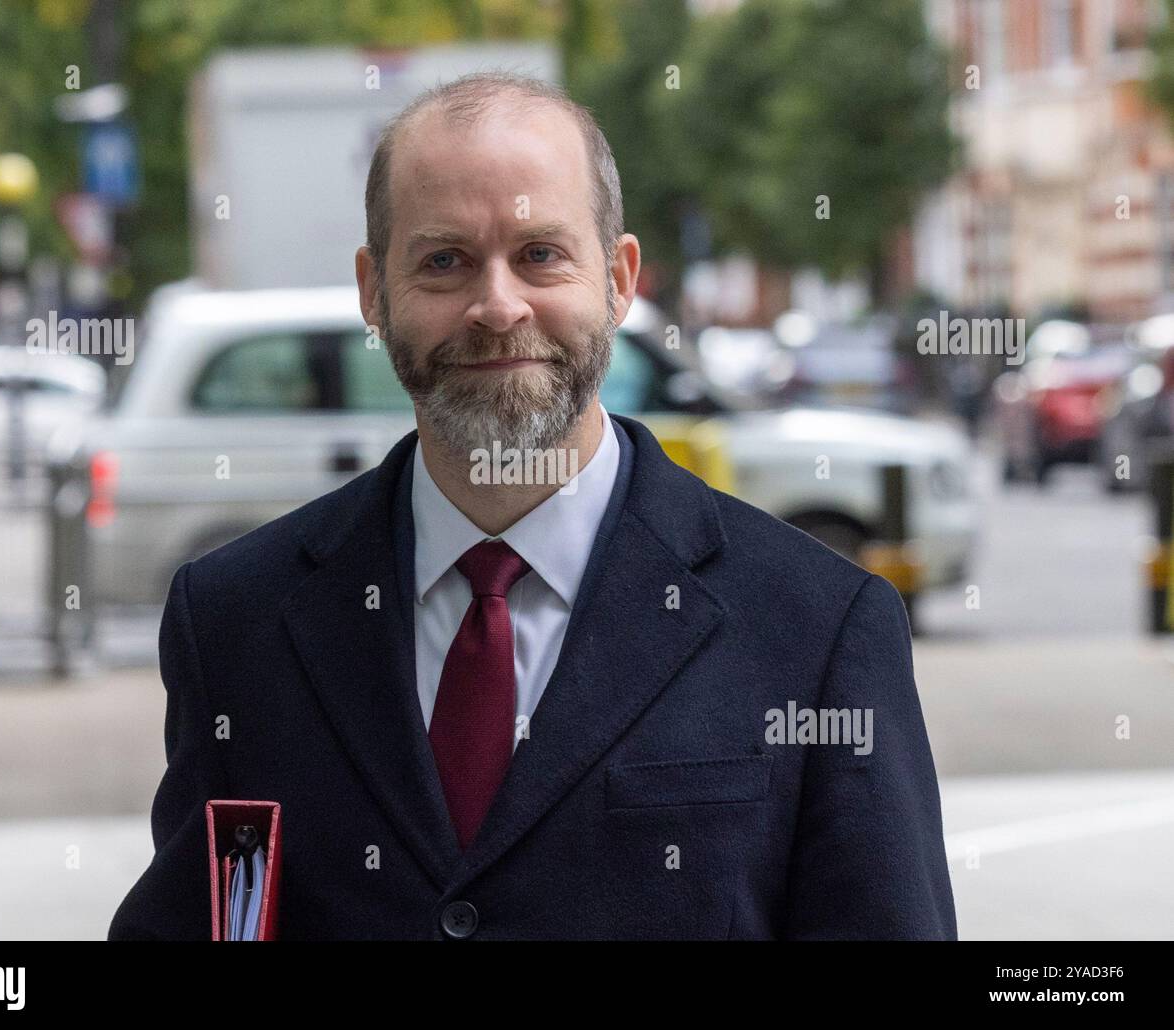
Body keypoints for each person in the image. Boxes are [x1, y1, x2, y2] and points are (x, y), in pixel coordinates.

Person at [109, 71, 957, 940]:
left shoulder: (818, 628)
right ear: (373, 292)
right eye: (444, 261)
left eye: (540, 254)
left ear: (620, 279)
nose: (498, 305)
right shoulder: (234, 622)